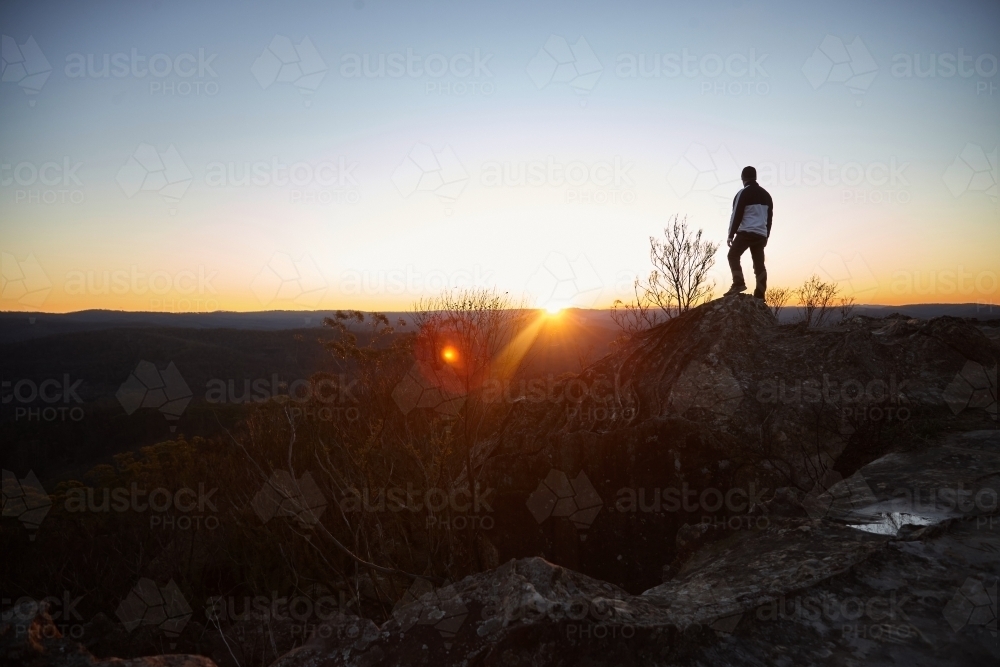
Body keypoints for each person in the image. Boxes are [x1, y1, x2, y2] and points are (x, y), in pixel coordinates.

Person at [724, 166, 773, 299]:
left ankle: (738, 283)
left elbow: (736, 215)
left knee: (733, 255)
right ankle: (760, 294)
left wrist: (730, 234)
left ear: (743, 178)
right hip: (761, 234)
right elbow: (769, 217)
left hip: (746, 232)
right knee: (759, 265)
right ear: (755, 177)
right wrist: (766, 235)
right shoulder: (766, 195)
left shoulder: (743, 193)